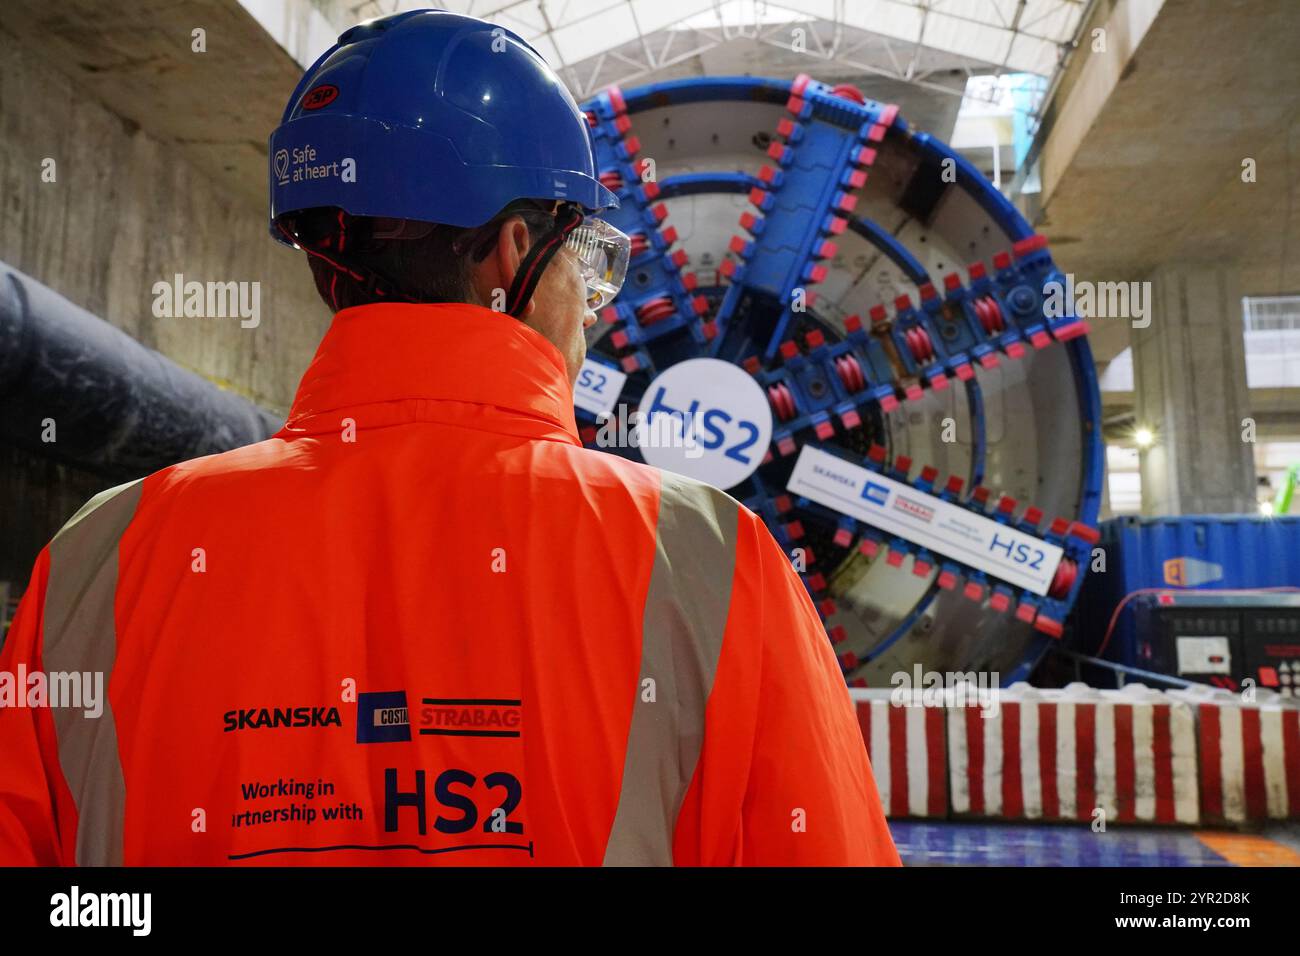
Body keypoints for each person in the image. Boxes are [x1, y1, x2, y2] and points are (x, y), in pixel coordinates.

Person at [0, 8, 899, 867]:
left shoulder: (100, 560)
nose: (591, 306)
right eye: (587, 258)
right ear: (515, 251)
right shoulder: (712, 567)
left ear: (323, 262)